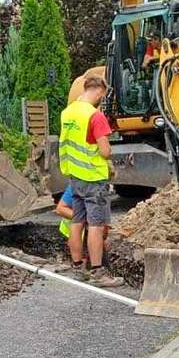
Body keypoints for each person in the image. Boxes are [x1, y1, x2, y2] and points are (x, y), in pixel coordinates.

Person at [58, 73, 124, 287]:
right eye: (101, 96)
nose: (100, 100)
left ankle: (78, 267)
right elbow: (105, 151)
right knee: (96, 225)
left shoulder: (67, 113)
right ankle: (98, 272)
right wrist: (108, 157)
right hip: (94, 178)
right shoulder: (95, 116)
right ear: (98, 91)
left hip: (75, 176)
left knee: (77, 222)